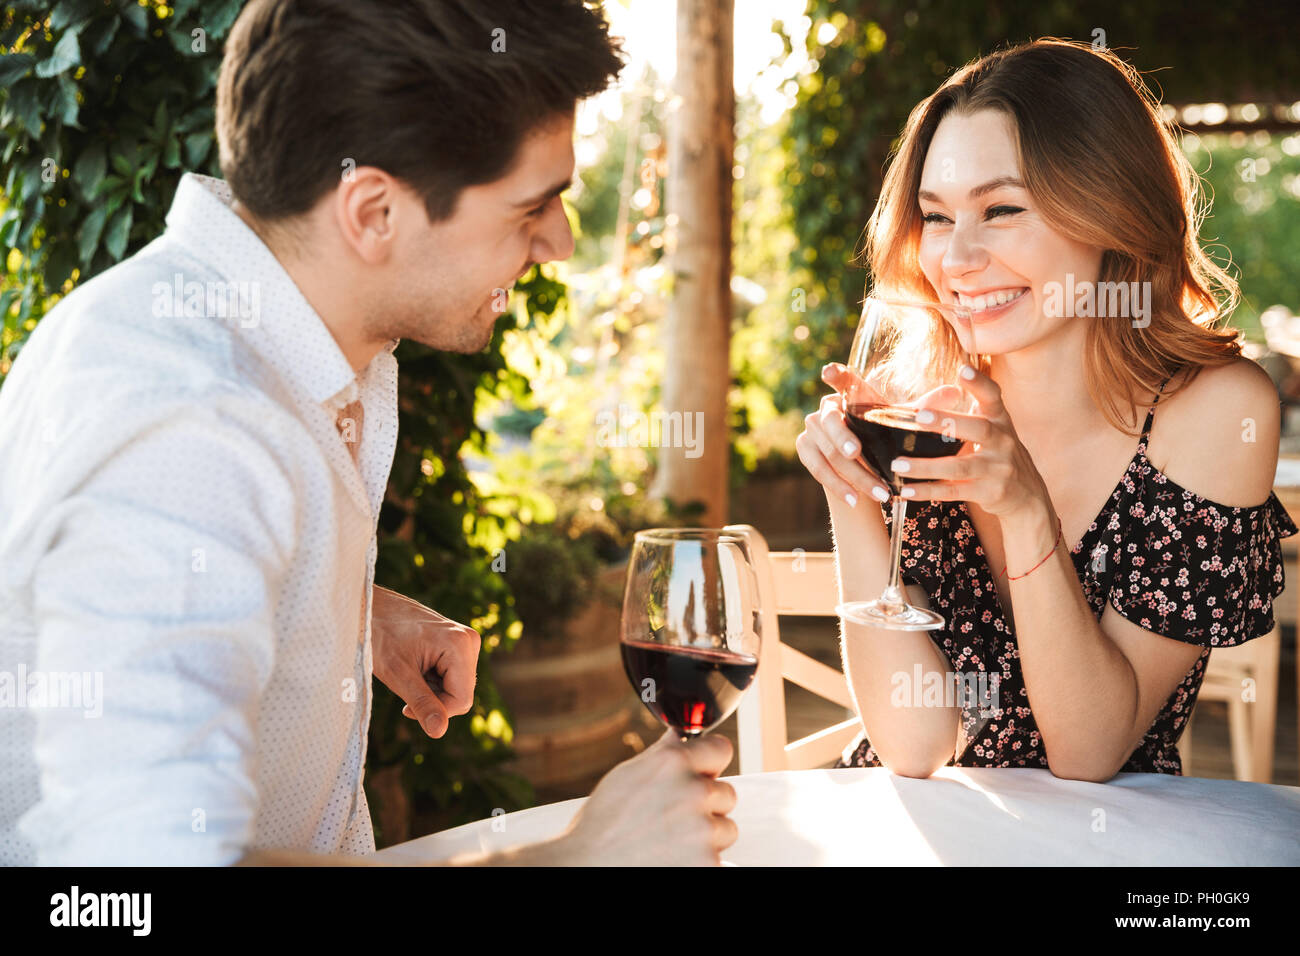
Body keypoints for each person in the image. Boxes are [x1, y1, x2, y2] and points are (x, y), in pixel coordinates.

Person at [0, 0, 737, 866]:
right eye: (531, 206)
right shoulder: (191, 421)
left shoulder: (285, 343)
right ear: (374, 212)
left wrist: (336, 613)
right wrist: (571, 862)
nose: (560, 242)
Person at [796, 38, 1297, 780]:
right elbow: (913, 744)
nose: (957, 260)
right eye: (935, 218)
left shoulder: (1217, 414)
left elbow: (1089, 751)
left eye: (1001, 209)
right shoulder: (915, 403)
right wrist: (852, 494)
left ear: (1111, 211)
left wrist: (1026, 508)